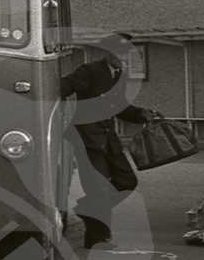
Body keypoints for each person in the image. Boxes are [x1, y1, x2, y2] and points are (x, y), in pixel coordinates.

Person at [60, 42, 150, 249]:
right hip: (87, 139)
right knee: (98, 188)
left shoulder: (118, 75)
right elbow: (61, 87)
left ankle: (88, 209)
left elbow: (119, 106)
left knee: (127, 181)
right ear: (108, 52)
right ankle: (97, 238)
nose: (125, 60)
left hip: (108, 138)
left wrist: (140, 114)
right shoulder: (89, 71)